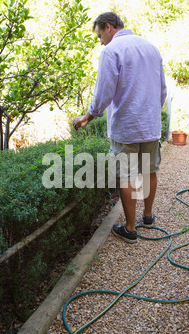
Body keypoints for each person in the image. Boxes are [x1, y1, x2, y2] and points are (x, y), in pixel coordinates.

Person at [72, 12, 167, 244]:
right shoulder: (151, 47)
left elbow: (104, 91)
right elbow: (162, 89)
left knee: (126, 176)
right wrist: (153, 112)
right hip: (150, 124)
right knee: (150, 170)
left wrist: (87, 116)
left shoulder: (111, 51)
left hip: (126, 126)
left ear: (108, 27)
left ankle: (131, 228)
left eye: (100, 35)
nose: (100, 40)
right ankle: (148, 217)